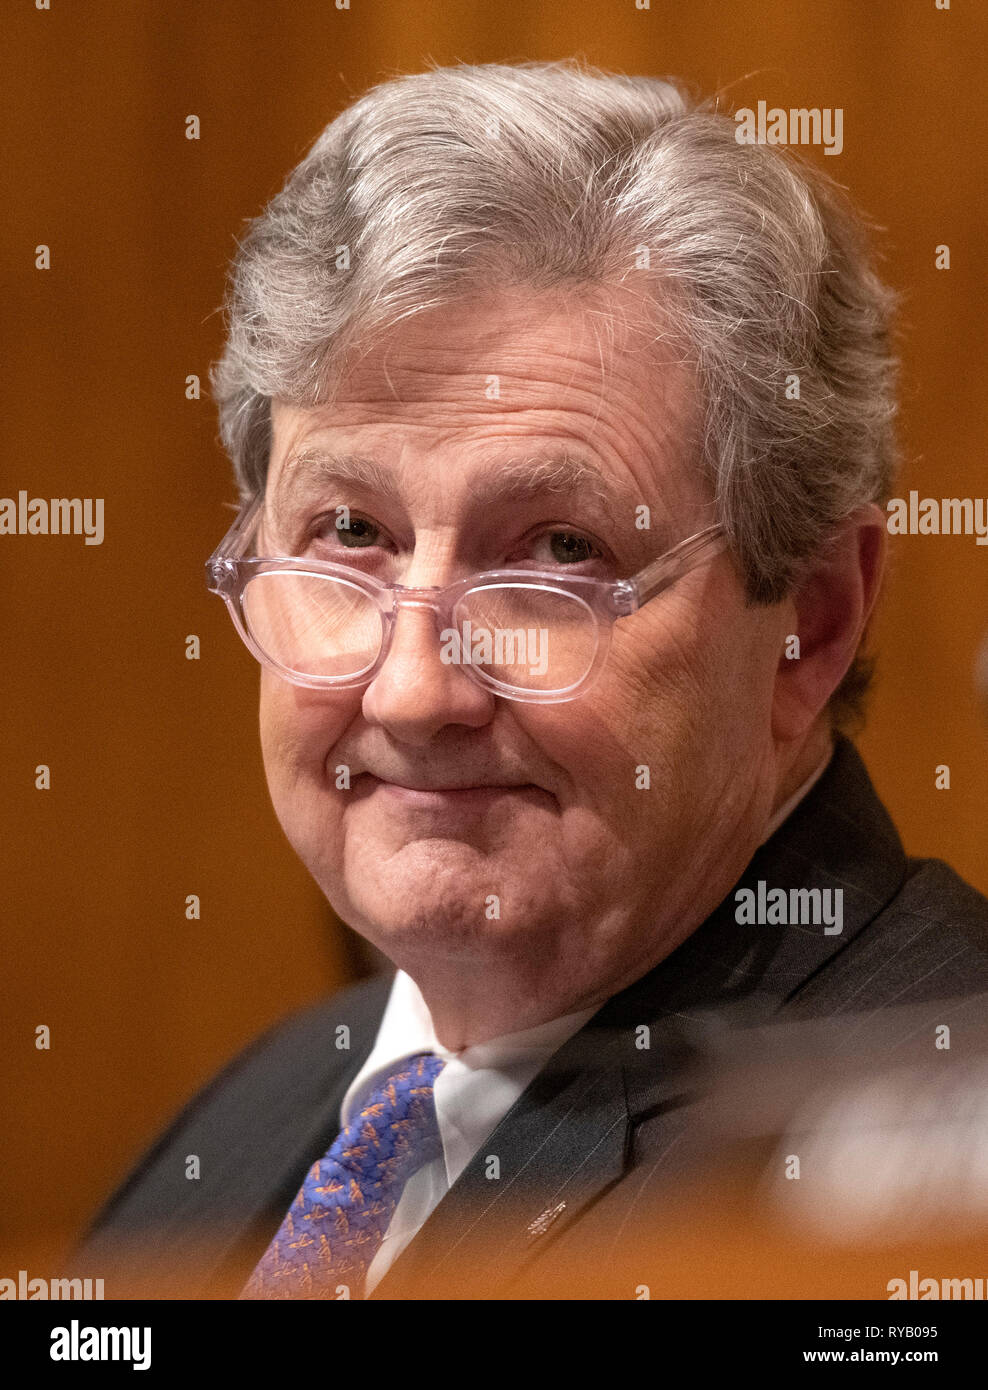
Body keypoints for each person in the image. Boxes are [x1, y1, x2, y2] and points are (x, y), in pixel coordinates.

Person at [73, 59, 988, 1300]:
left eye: (559, 553)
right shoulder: (247, 1121)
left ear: (809, 622)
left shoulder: (914, 1168)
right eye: (349, 533)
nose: (410, 691)